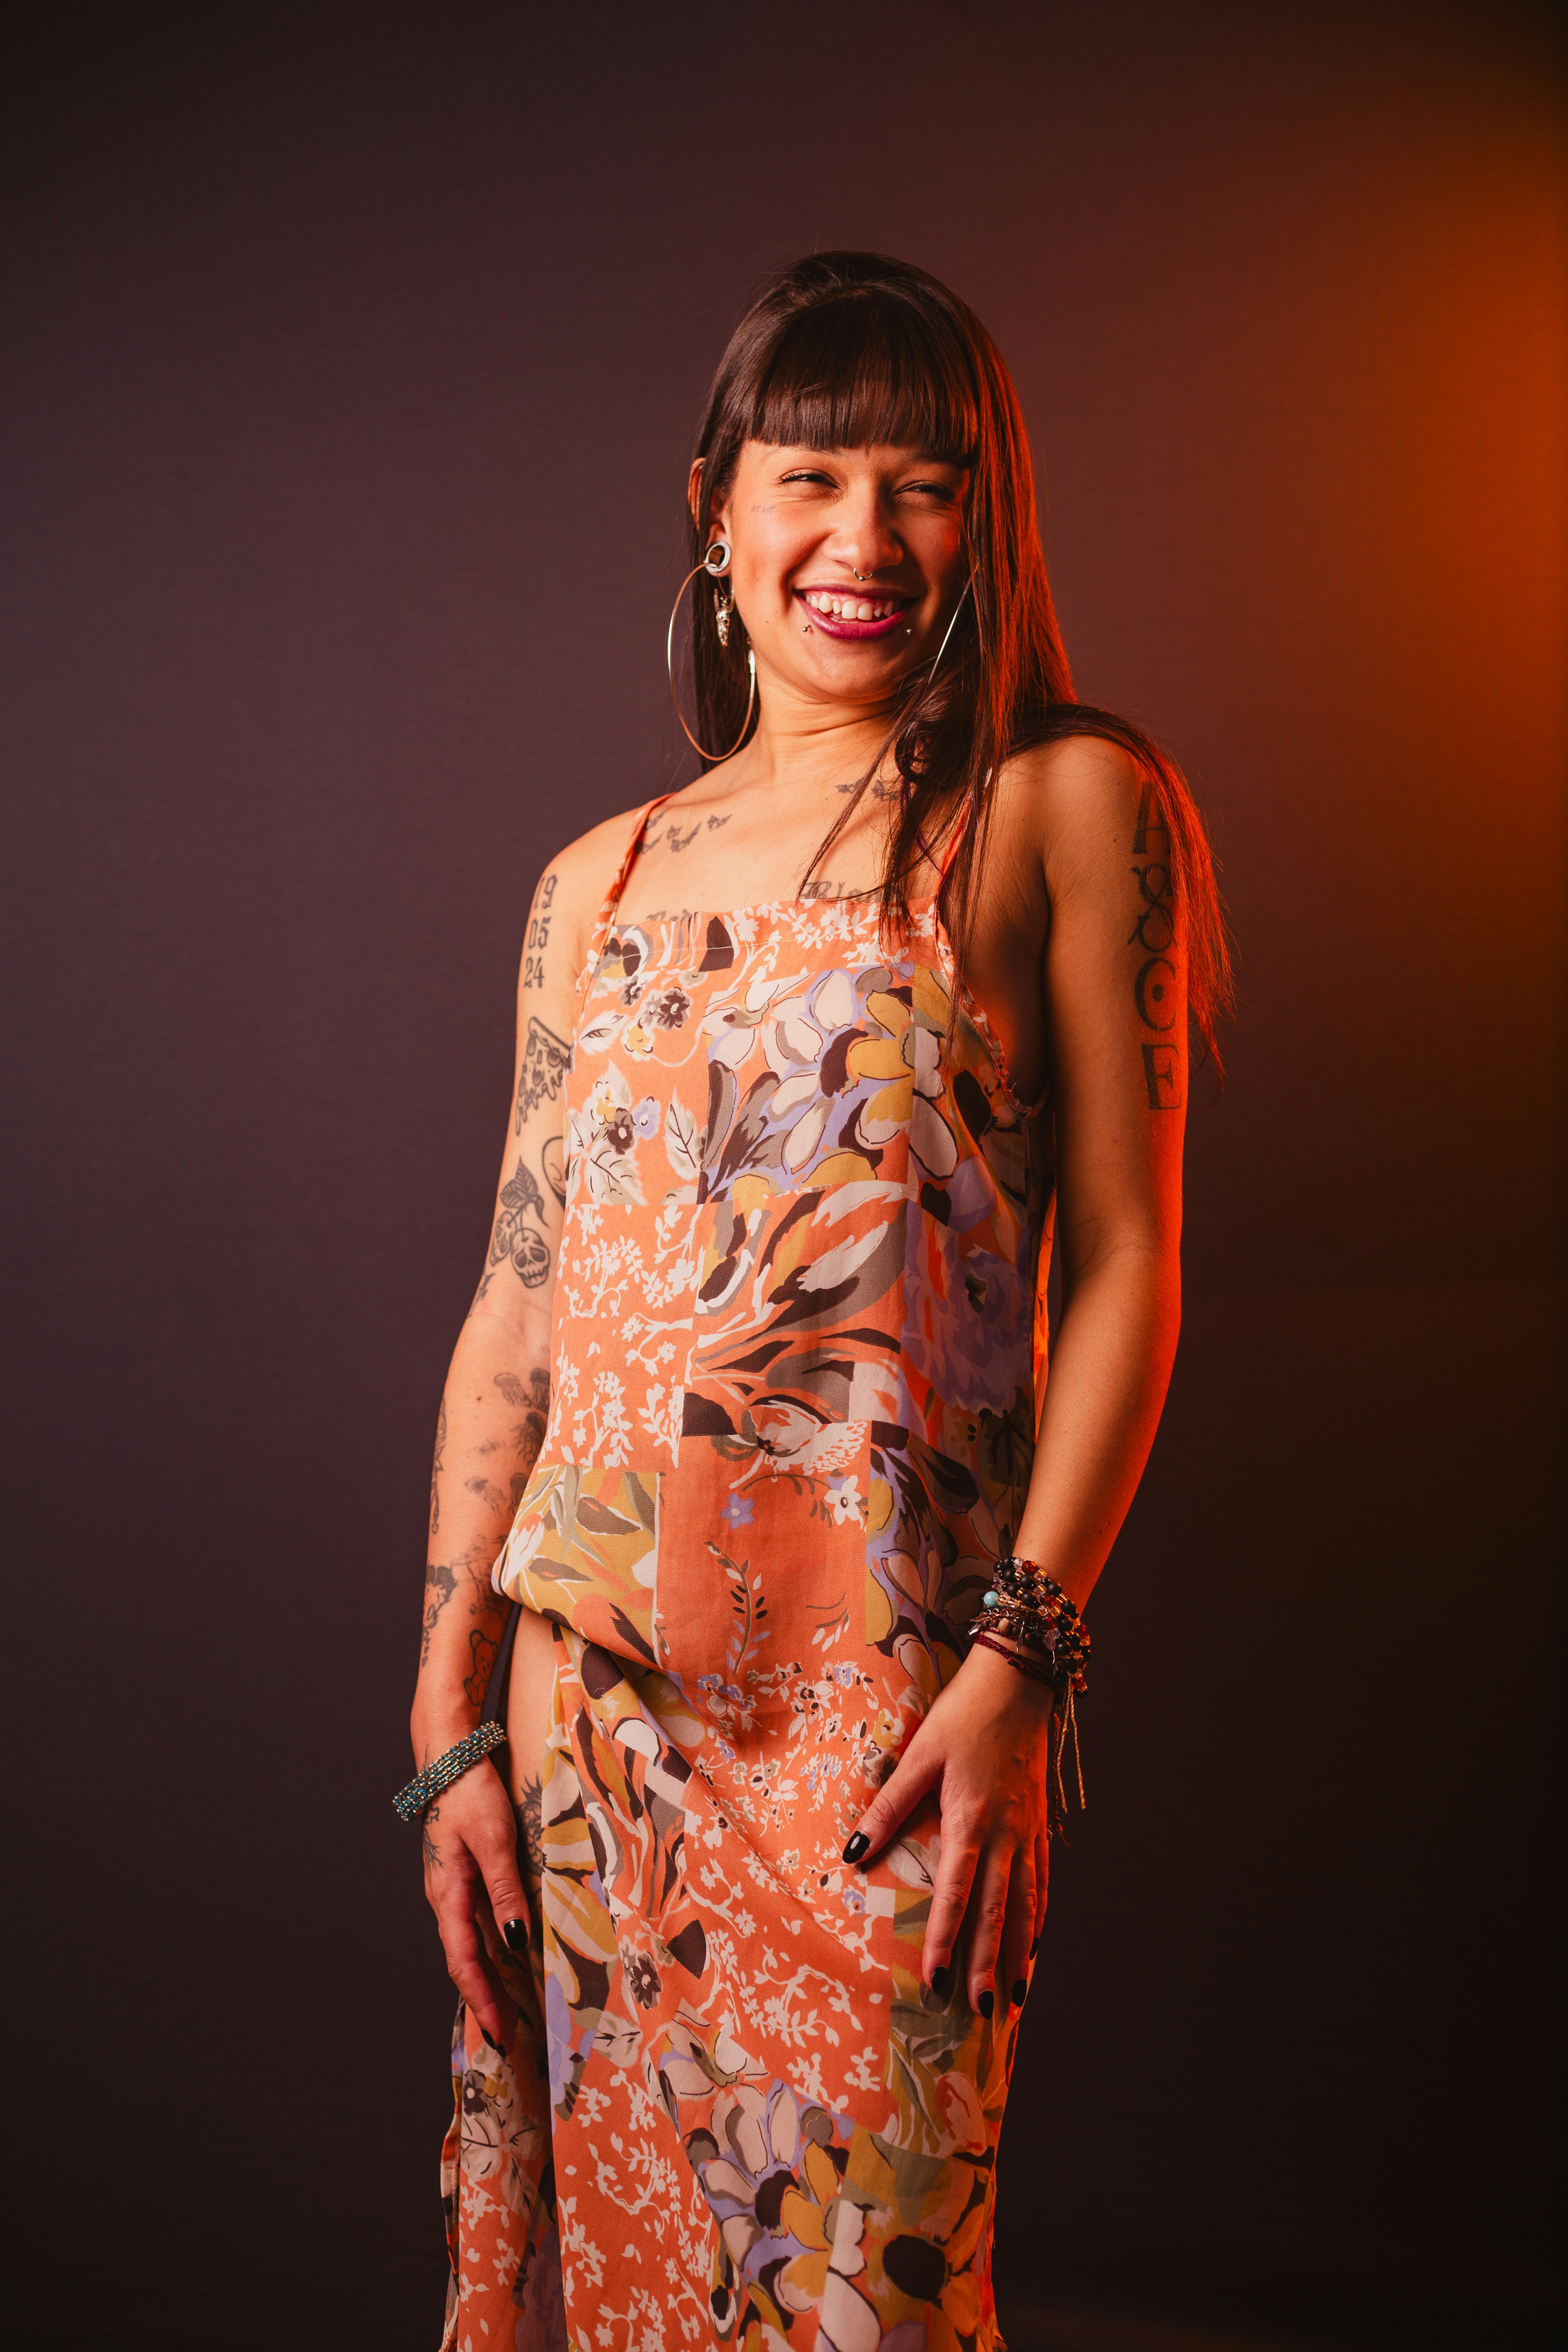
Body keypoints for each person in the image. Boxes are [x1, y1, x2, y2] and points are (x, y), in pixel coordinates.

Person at [404, 250, 1230, 2352]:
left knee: (864, 2292)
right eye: (812, 477)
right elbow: (519, 1311)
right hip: (587, 1723)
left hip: (889, 1712)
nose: (863, 540)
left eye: (926, 485)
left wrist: (1023, 1662)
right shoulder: (589, 886)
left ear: (989, 517)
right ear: (717, 506)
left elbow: (1126, 1259)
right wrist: (445, 1724)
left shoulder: (1058, 809)